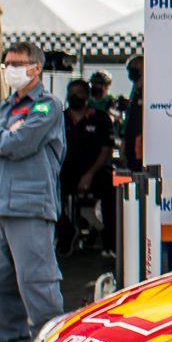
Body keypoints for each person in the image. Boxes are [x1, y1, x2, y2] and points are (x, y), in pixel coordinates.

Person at [0, 41, 68, 342]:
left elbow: (20, 143)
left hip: (30, 205)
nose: (11, 68)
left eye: (18, 62)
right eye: (7, 63)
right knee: (0, 284)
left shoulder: (47, 107)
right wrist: (1, 138)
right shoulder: (4, 109)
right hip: (0, 205)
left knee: (37, 282)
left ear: (36, 68)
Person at [59, 77, 116, 253]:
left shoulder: (100, 118)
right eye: (72, 93)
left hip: (95, 171)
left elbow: (106, 150)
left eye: (79, 93)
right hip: (66, 172)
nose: (75, 96)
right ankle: (65, 234)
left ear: (87, 95)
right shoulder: (60, 119)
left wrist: (90, 174)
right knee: (49, 192)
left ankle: (110, 243)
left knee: (111, 192)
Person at [119, 55, 145, 171]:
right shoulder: (135, 92)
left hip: (141, 146)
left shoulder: (148, 91)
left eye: (136, 67)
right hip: (131, 143)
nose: (133, 70)